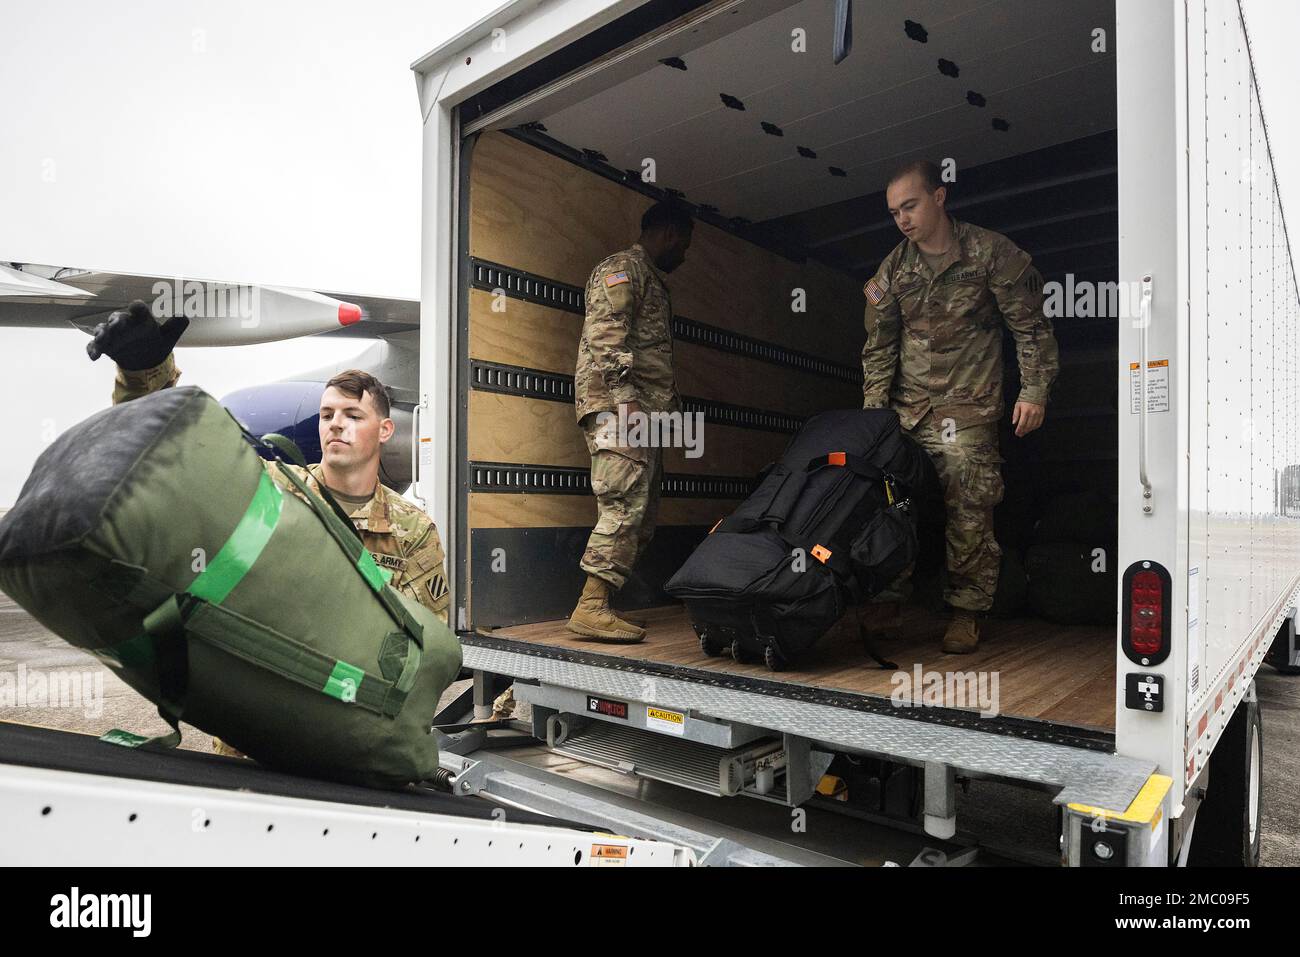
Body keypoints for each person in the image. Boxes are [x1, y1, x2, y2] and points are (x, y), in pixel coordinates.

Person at [87, 301, 454, 746]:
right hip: (254, 732)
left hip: (351, 738)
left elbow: (429, 650)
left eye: (353, 416)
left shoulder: (412, 530)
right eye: (326, 415)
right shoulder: (274, 488)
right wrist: (146, 373)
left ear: (385, 430)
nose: (335, 425)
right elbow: (178, 457)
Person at [860, 160, 1059, 653]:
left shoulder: (991, 253)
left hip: (967, 411)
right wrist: (872, 414)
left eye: (910, 205)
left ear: (939, 196)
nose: (902, 219)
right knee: (889, 506)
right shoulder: (893, 269)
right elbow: (879, 346)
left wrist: (1034, 390)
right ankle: (886, 604)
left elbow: (1029, 328)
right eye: (893, 212)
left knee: (970, 509)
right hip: (906, 413)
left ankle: (966, 613)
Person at [567, 202, 693, 643]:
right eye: (685, 246)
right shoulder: (622, 270)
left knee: (641, 515)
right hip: (619, 410)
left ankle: (602, 602)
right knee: (623, 506)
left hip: (642, 415)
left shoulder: (652, 281)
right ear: (670, 234)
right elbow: (606, 335)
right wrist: (625, 403)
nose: (684, 257)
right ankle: (591, 606)